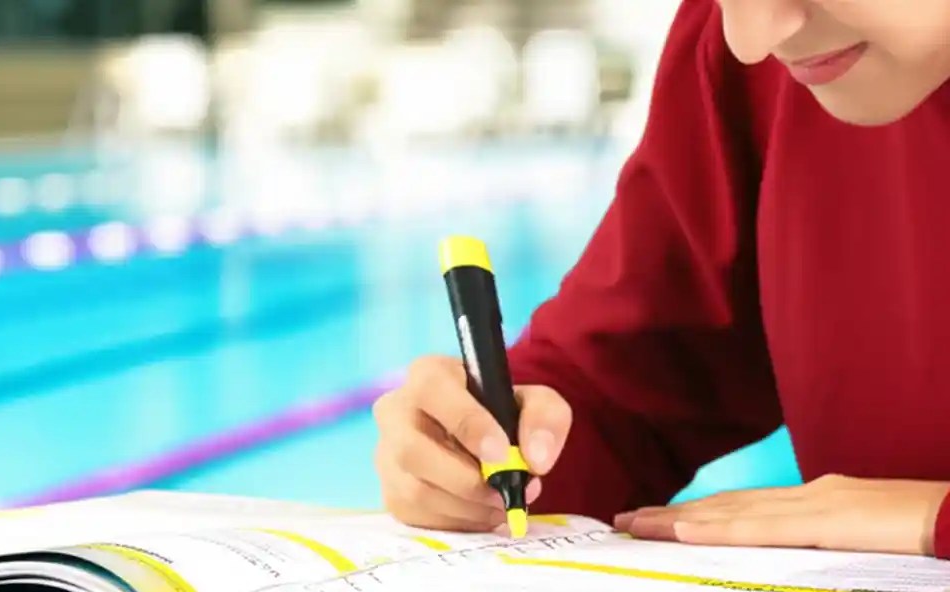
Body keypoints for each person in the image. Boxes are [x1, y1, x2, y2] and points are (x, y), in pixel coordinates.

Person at [372, 0, 950, 559]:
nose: (752, 40)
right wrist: (477, 449)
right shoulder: (745, 61)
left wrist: (935, 519)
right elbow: (615, 384)